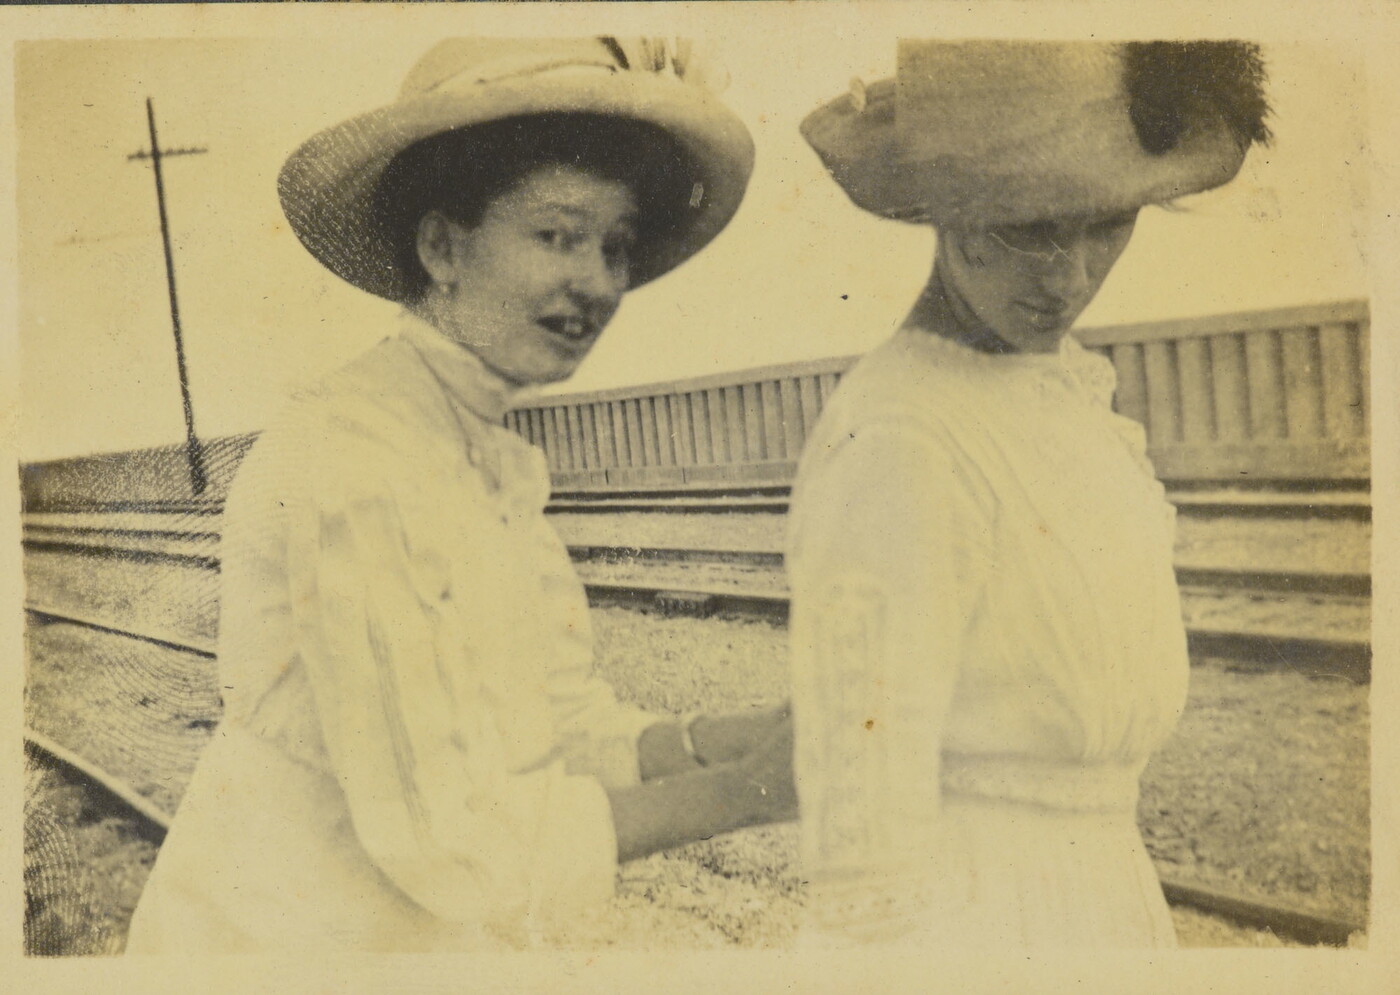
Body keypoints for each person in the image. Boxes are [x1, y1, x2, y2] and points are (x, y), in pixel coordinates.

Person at [126, 37, 795, 954]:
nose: (597, 282)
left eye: (617, 246)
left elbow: (553, 726)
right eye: (557, 235)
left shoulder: (477, 451)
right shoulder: (356, 452)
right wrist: (756, 788)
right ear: (442, 244)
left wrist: (750, 734)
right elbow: (455, 842)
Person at [789, 40, 1270, 946]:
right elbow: (862, 841)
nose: (1071, 275)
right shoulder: (901, 436)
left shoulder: (1059, 393)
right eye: (1028, 228)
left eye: (1106, 223)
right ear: (947, 208)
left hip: (1097, 897)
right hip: (977, 922)